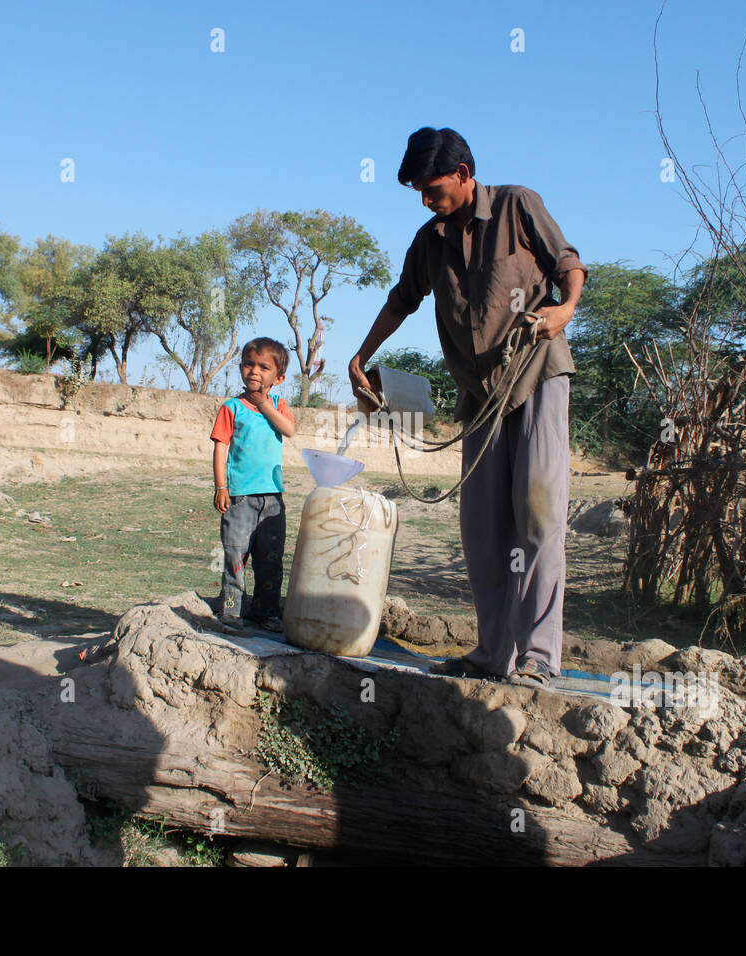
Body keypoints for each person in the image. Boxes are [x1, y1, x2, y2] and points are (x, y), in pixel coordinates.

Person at [348, 127, 587, 688]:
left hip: (537, 374)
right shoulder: (429, 239)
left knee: (539, 515)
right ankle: (491, 656)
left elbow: (567, 263)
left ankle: (539, 659)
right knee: (482, 530)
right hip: (479, 395)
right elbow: (402, 299)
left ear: (462, 173)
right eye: (418, 192)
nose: (425, 200)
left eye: (431, 188)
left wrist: (565, 309)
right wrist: (362, 356)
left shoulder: (517, 205)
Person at [210, 337, 296, 632]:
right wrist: (221, 486)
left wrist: (265, 406)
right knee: (235, 556)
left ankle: (266, 612)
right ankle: (231, 611)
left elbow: (290, 429)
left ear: (279, 377)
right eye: (249, 364)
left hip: (273, 498)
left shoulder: (278, 405)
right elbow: (221, 447)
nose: (254, 372)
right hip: (240, 498)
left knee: (270, 560)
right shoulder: (231, 407)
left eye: (263, 367)